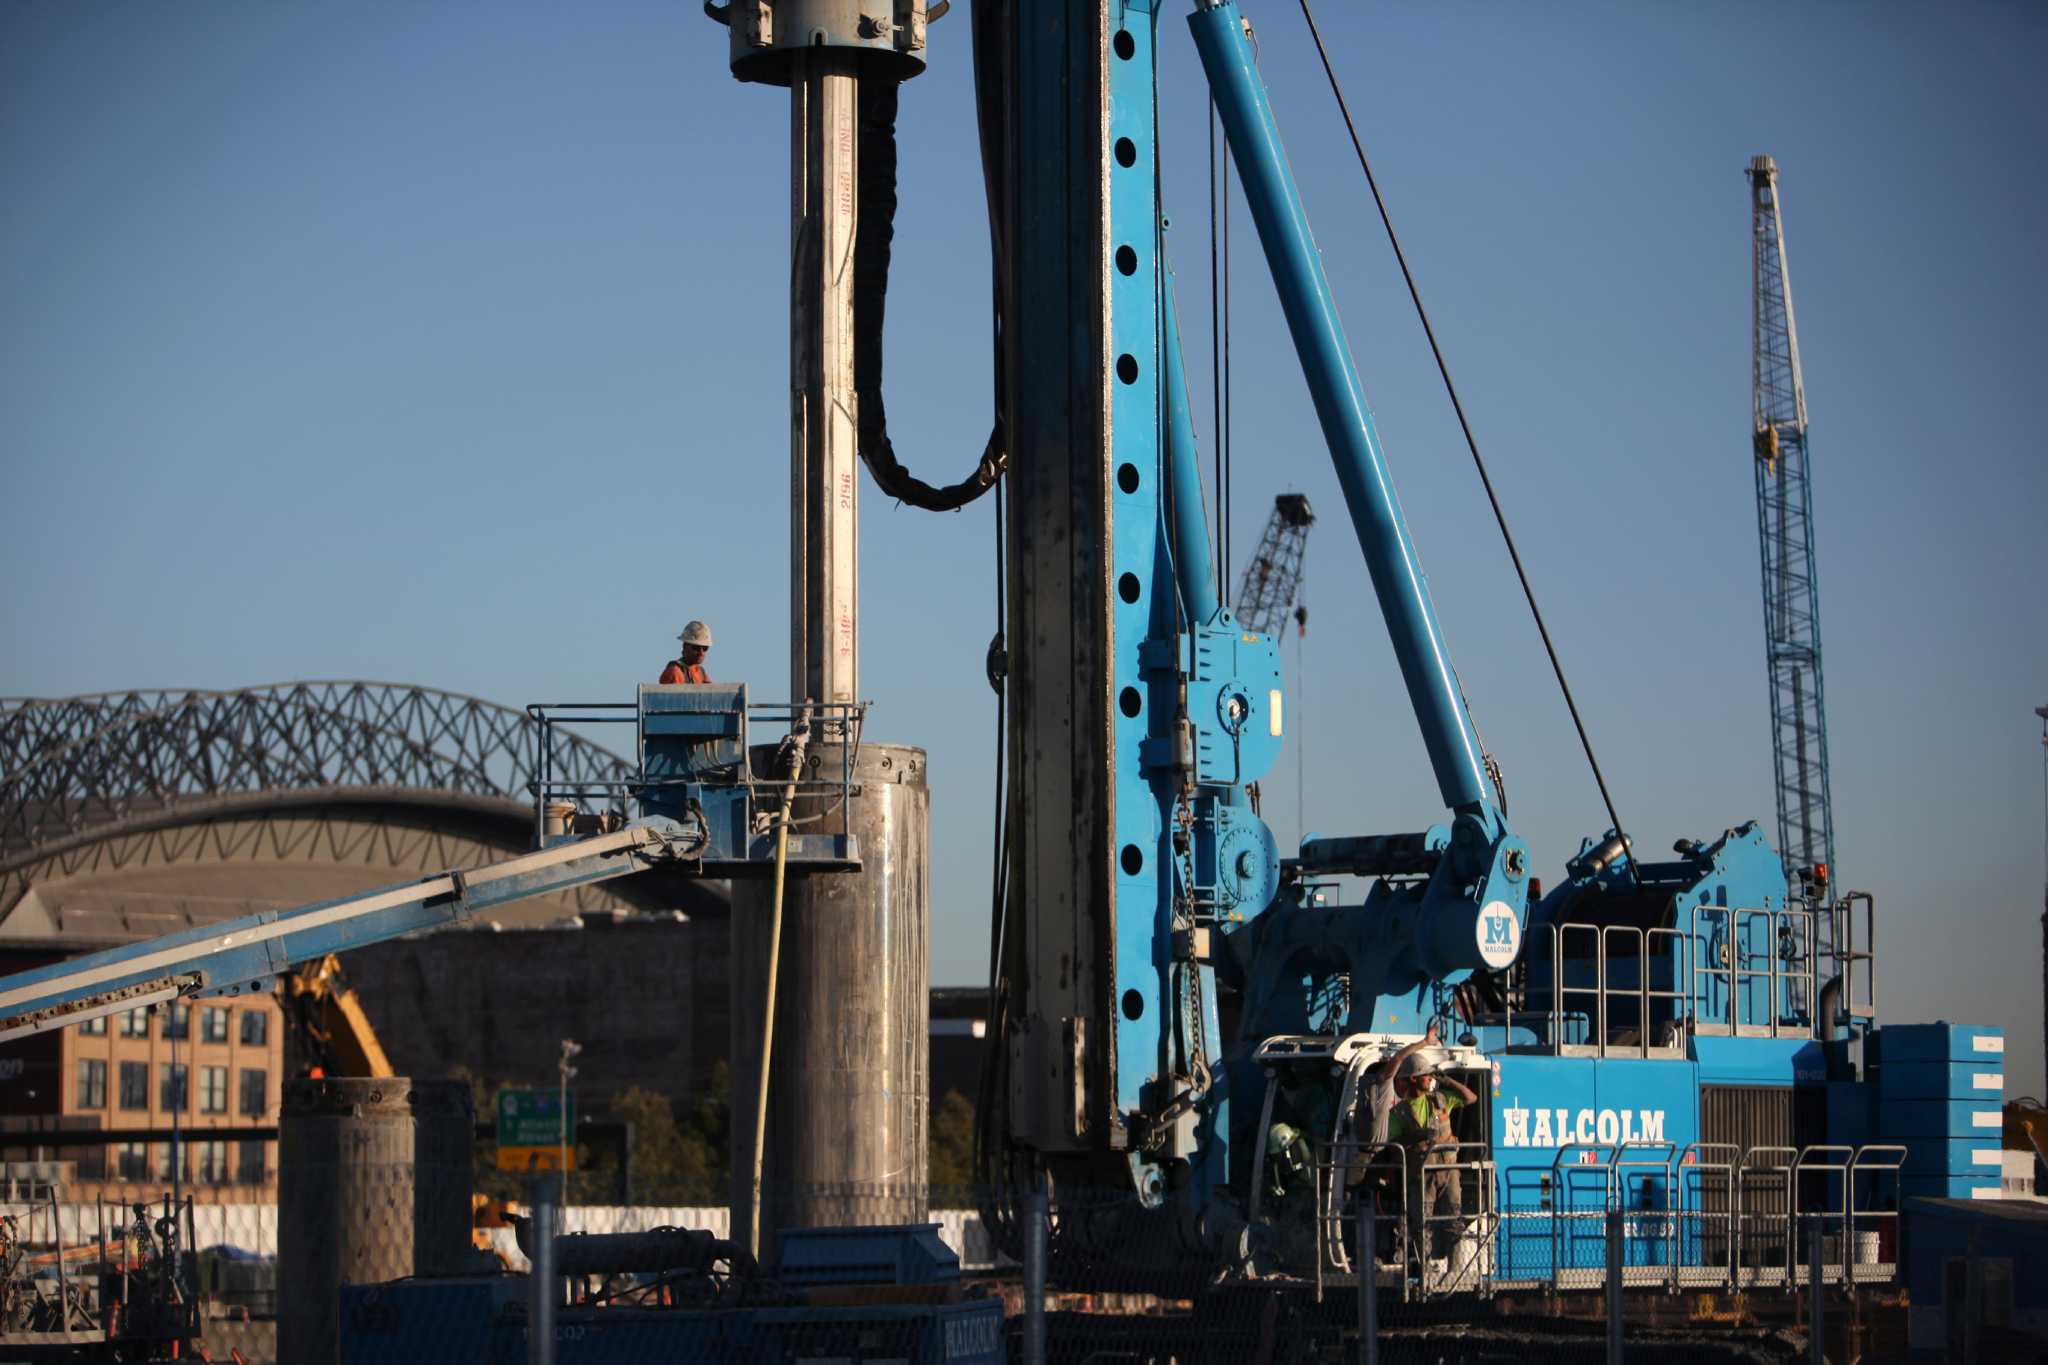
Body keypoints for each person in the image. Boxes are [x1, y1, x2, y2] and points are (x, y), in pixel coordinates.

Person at [1387, 1041, 1478, 1266]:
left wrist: (1447, 1080)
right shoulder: (1399, 1113)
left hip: (1449, 1171)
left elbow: (1470, 1098)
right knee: (1421, 1221)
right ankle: (1422, 1266)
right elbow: (1391, 1144)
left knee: (1454, 1218)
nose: (1430, 1079)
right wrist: (1417, 1136)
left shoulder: (1442, 1099)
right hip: (1422, 1175)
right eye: (1426, 1075)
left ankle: (1457, 1266)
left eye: (1431, 1075)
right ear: (1413, 1079)